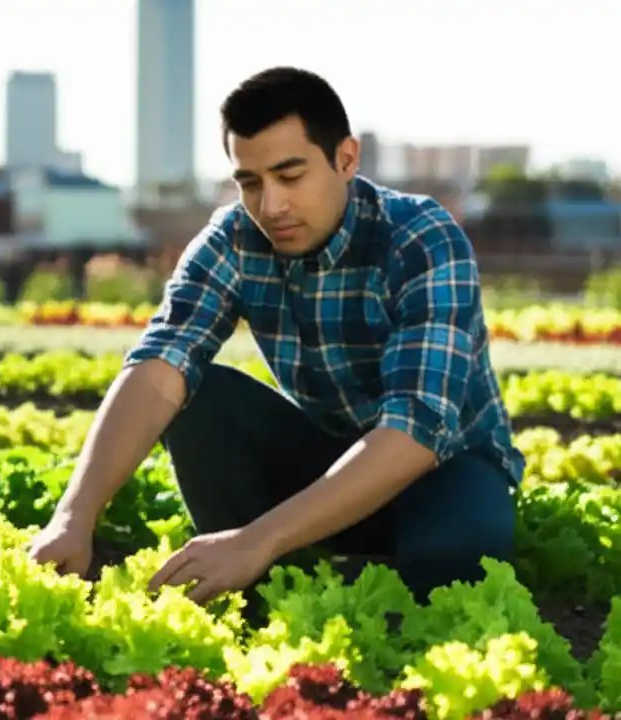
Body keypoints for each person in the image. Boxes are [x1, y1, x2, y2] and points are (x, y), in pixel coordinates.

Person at [26, 66, 525, 607]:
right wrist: (73, 518)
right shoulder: (233, 238)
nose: (271, 206)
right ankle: (253, 588)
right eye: (250, 182)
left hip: (442, 468)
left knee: (448, 568)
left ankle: (268, 551)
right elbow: (158, 365)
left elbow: (417, 429)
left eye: (290, 176)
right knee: (200, 397)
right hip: (326, 458)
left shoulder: (420, 236)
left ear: (347, 159)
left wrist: (258, 537)